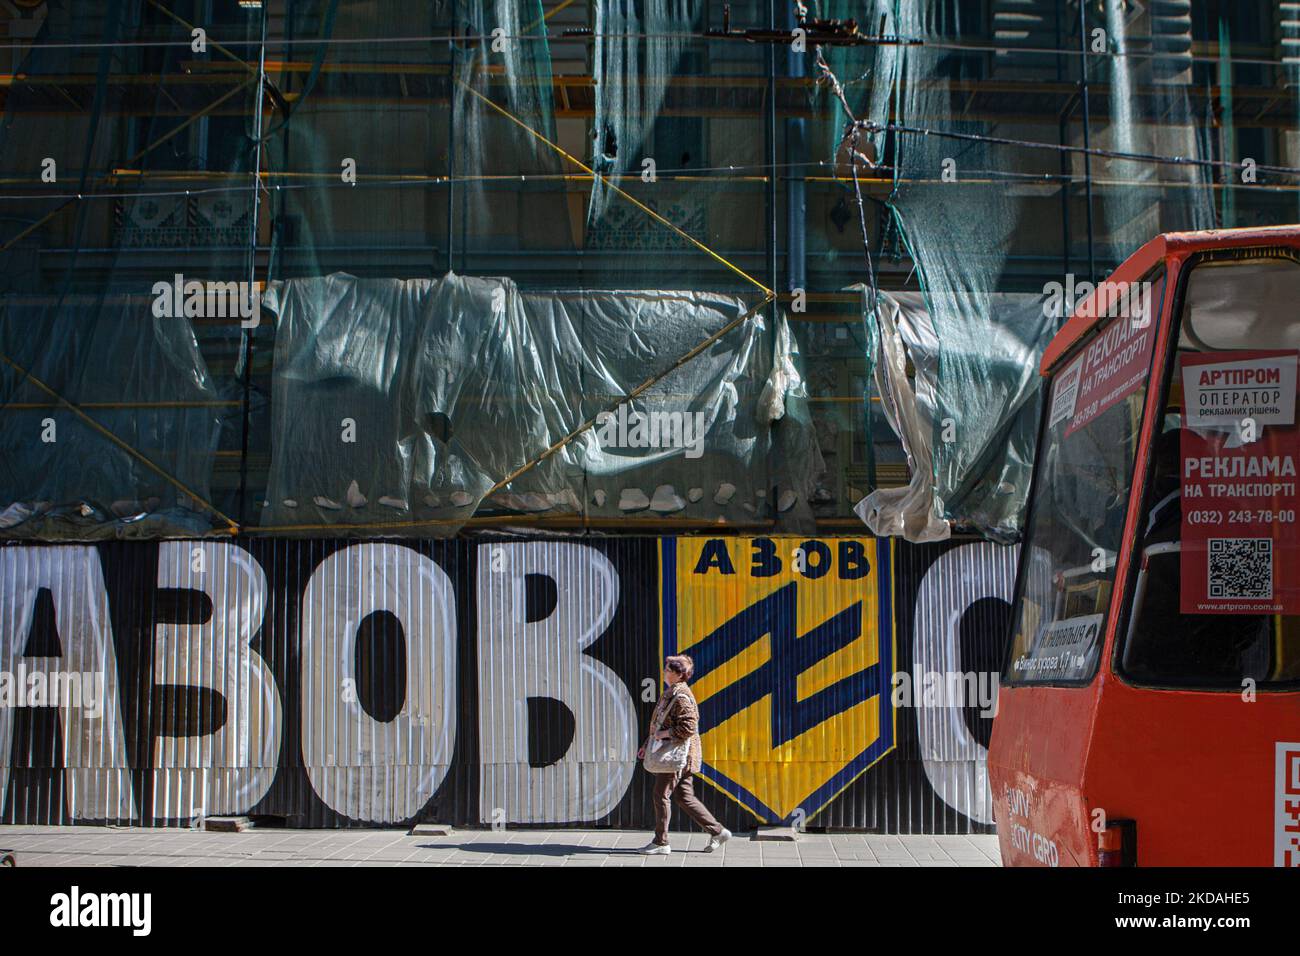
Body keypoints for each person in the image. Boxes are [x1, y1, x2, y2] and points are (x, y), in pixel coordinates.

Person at [637, 654, 731, 855]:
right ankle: (718, 832)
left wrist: (664, 735)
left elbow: (689, 726)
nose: (664, 672)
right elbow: (661, 722)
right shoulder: (672, 693)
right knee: (684, 797)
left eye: (668, 669)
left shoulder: (680, 697)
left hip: (676, 757)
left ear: (679, 674)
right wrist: (648, 743)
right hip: (682, 757)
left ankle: (661, 842)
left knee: (660, 795)